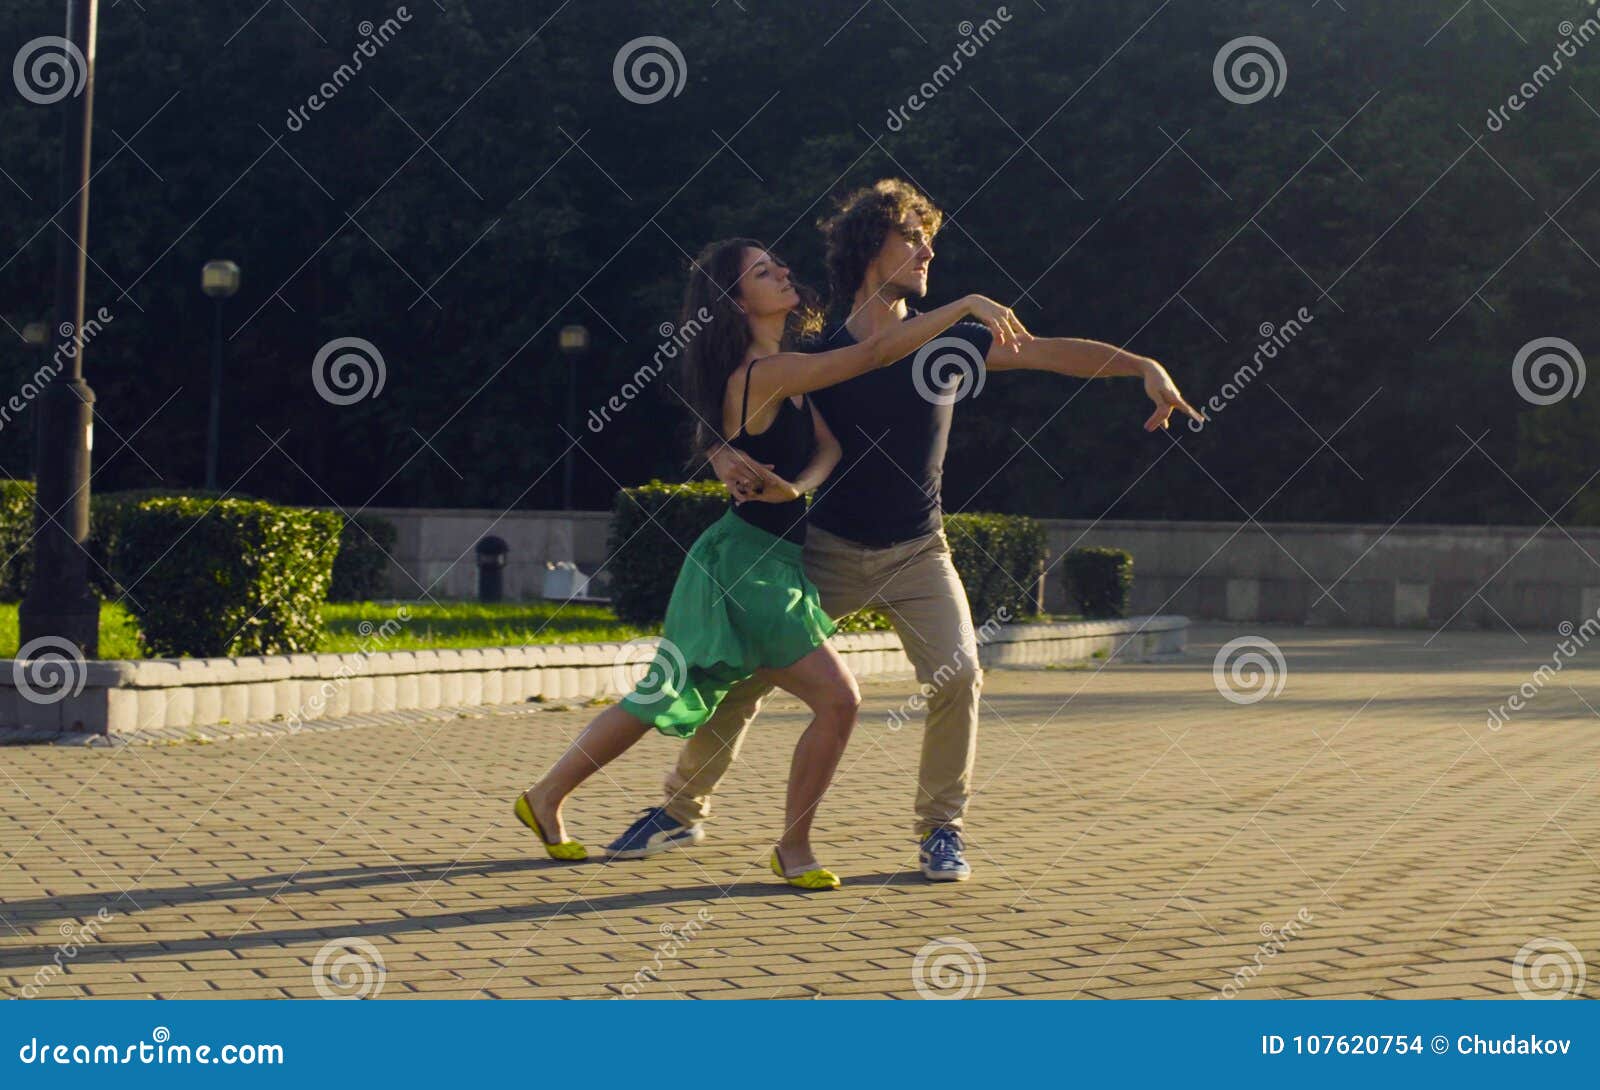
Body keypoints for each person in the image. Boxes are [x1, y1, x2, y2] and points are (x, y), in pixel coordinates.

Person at [607, 179, 1203, 881]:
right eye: (912, 238)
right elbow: (733, 391)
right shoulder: (818, 342)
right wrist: (719, 451)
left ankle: (941, 830)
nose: (927, 252)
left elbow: (1044, 351)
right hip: (825, 548)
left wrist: (1142, 366)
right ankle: (679, 812)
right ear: (870, 249)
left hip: (920, 550)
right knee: (739, 678)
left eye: (930, 240)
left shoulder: (950, 342)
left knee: (960, 677)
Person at [512, 235, 1027, 890]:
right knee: (838, 700)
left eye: (779, 264)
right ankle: (791, 849)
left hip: (773, 557)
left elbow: (830, 447)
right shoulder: (766, 374)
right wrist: (964, 307)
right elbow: (870, 353)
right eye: (764, 272)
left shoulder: (783, 363)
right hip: (746, 563)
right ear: (736, 300)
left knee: (670, 690)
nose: (784, 272)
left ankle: (549, 796)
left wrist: (794, 485)